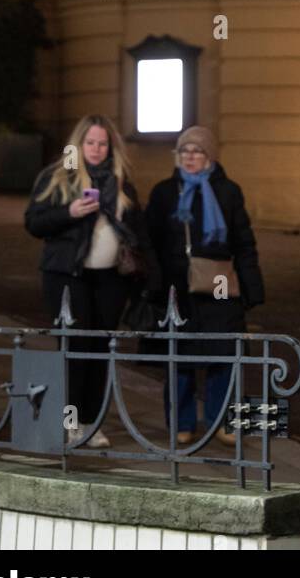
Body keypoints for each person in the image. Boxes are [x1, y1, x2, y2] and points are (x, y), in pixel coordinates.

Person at [24, 113, 157, 448]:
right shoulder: (60, 177)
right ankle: (68, 422)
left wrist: (147, 276)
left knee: (100, 351)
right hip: (68, 278)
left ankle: (90, 423)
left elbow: (138, 232)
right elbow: (34, 222)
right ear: (79, 144)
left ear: (111, 147)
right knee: (74, 350)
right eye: (90, 143)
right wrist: (69, 213)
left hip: (111, 279)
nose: (96, 149)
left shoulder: (121, 181)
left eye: (102, 143)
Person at [146, 125, 264, 445]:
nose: (190, 157)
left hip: (220, 281)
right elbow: (150, 242)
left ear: (209, 156)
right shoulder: (164, 192)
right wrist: (154, 285)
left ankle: (222, 421)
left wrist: (252, 288)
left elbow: (243, 243)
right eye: (184, 151)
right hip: (178, 287)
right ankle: (181, 423)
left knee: (224, 353)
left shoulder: (228, 191)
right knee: (180, 358)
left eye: (197, 151)